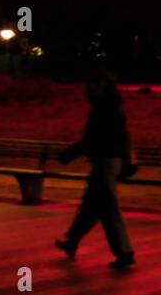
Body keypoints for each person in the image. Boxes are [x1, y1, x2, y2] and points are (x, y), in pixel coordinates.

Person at [54, 70, 137, 269]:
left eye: (94, 84)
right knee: (91, 206)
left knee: (108, 208)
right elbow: (121, 138)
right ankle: (72, 240)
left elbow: (94, 140)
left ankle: (124, 252)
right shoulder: (108, 108)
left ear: (103, 87)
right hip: (107, 162)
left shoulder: (104, 110)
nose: (89, 88)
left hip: (105, 163)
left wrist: (70, 154)